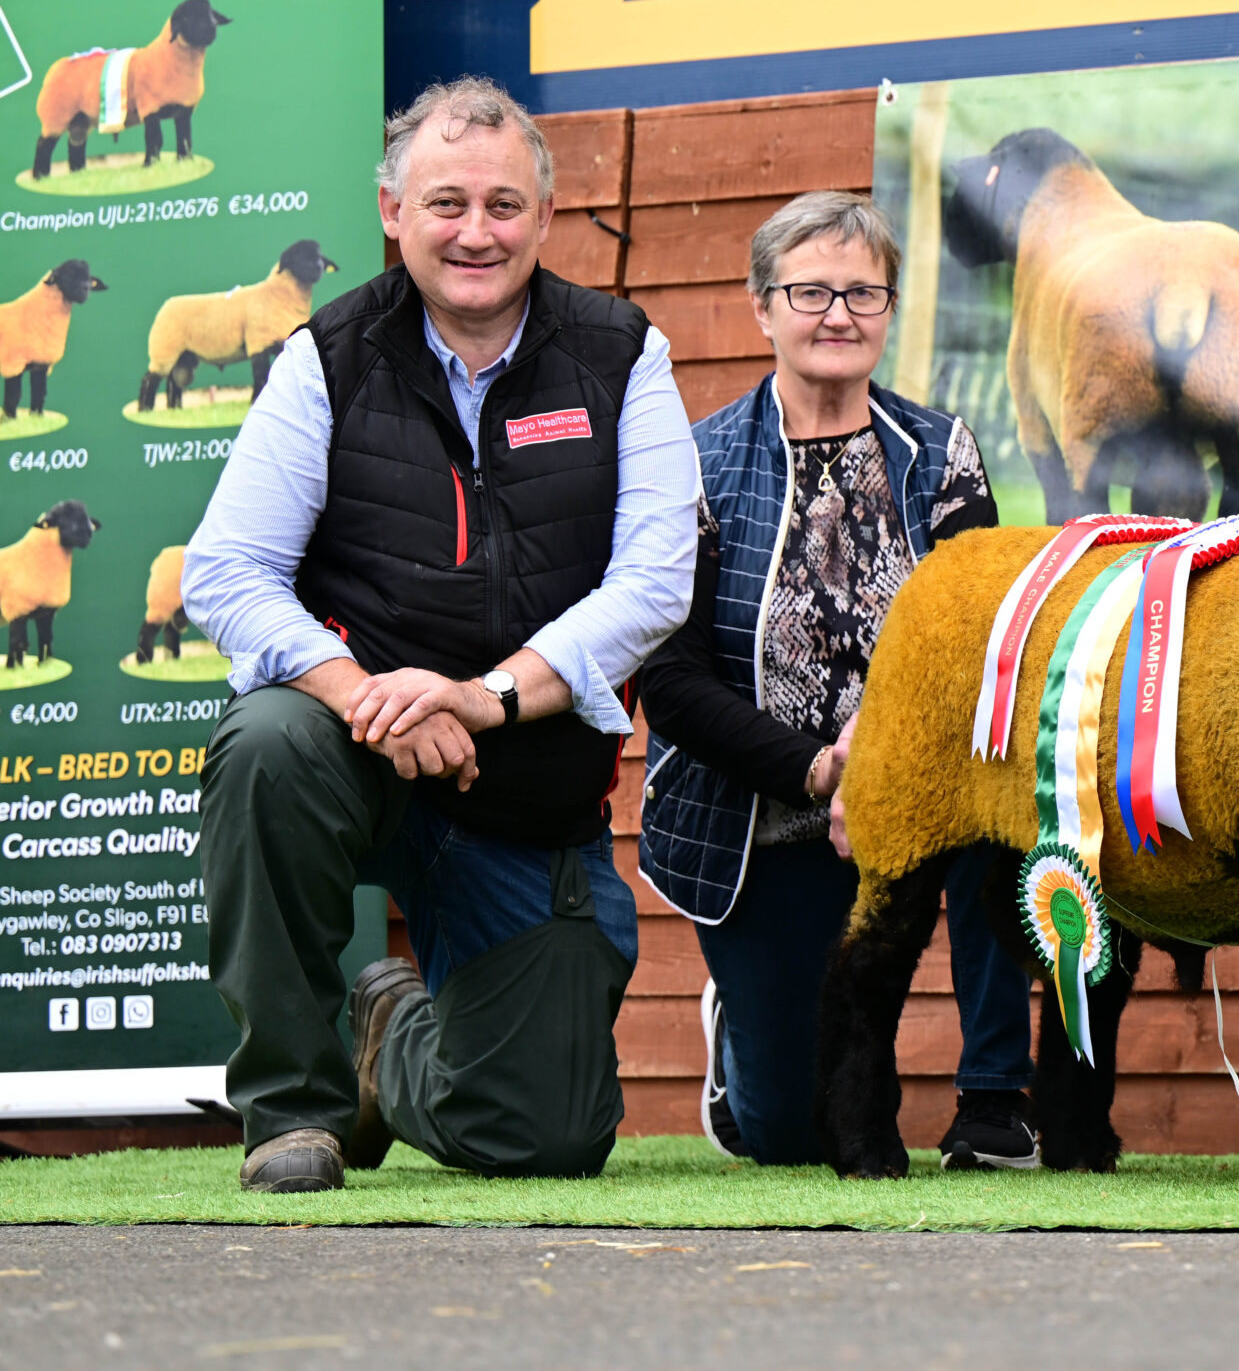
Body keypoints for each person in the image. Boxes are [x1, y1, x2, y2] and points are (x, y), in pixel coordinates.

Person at [186, 79, 700, 1192]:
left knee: (545, 1142)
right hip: (353, 755)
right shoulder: (324, 358)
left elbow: (657, 581)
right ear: (391, 211)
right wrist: (367, 694)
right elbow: (226, 572)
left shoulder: (623, 355)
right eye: (447, 203)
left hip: (521, 781)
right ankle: (293, 1111)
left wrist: (485, 696)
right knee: (266, 745)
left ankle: (390, 1036)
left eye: (504, 205)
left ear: (546, 219)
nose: (477, 232)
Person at [636, 192, 1037, 1170]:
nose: (838, 314)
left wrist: (887, 761)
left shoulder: (937, 455)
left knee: (1007, 807)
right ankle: (746, 1043)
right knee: (795, 1137)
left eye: (864, 292)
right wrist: (823, 772)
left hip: (921, 790)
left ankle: (994, 1103)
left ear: (889, 309)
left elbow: (978, 641)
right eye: (810, 290)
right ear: (762, 307)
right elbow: (672, 681)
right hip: (768, 817)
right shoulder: (695, 464)